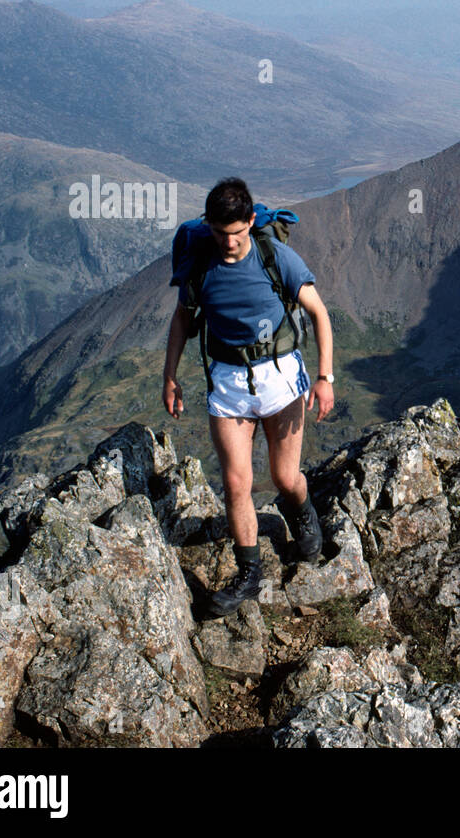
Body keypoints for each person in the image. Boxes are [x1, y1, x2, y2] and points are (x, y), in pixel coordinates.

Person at [161, 177, 336, 617]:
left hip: (281, 381)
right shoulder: (201, 262)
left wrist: (324, 376)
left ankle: (301, 513)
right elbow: (182, 319)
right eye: (220, 233)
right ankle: (249, 574)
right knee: (236, 482)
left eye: (237, 233)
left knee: (283, 477)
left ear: (251, 222)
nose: (229, 243)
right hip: (229, 386)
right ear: (209, 227)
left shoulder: (274, 256)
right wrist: (170, 375)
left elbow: (318, 312)